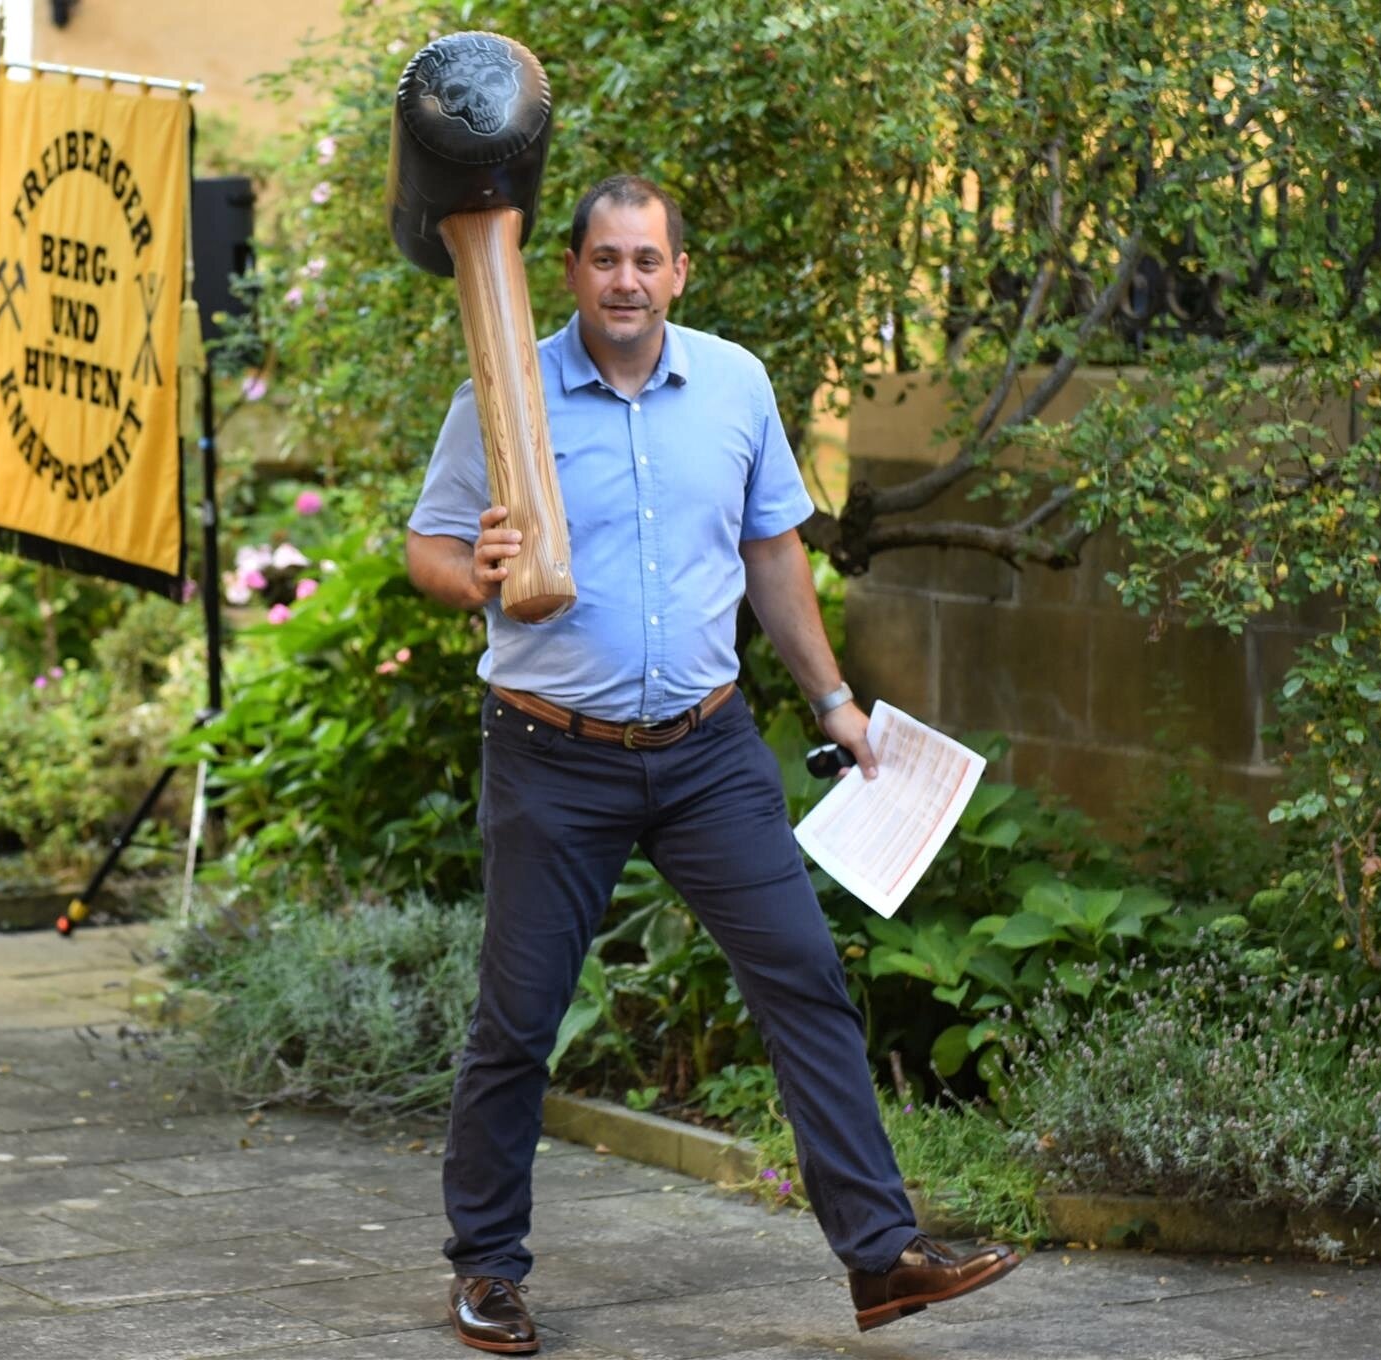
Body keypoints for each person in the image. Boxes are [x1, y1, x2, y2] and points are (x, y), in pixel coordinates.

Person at [406, 175, 1019, 1351]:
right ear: (571, 269)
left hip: (709, 749)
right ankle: (486, 1265)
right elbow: (427, 548)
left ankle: (881, 1257)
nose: (625, 280)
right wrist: (471, 569)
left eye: (647, 259)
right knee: (519, 1017)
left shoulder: (734, 384)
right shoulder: (506, 387)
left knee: (803, 978)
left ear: (680, 271)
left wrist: (834, 703)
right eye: (602, 259)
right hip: (551, 755)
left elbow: (773, 552)